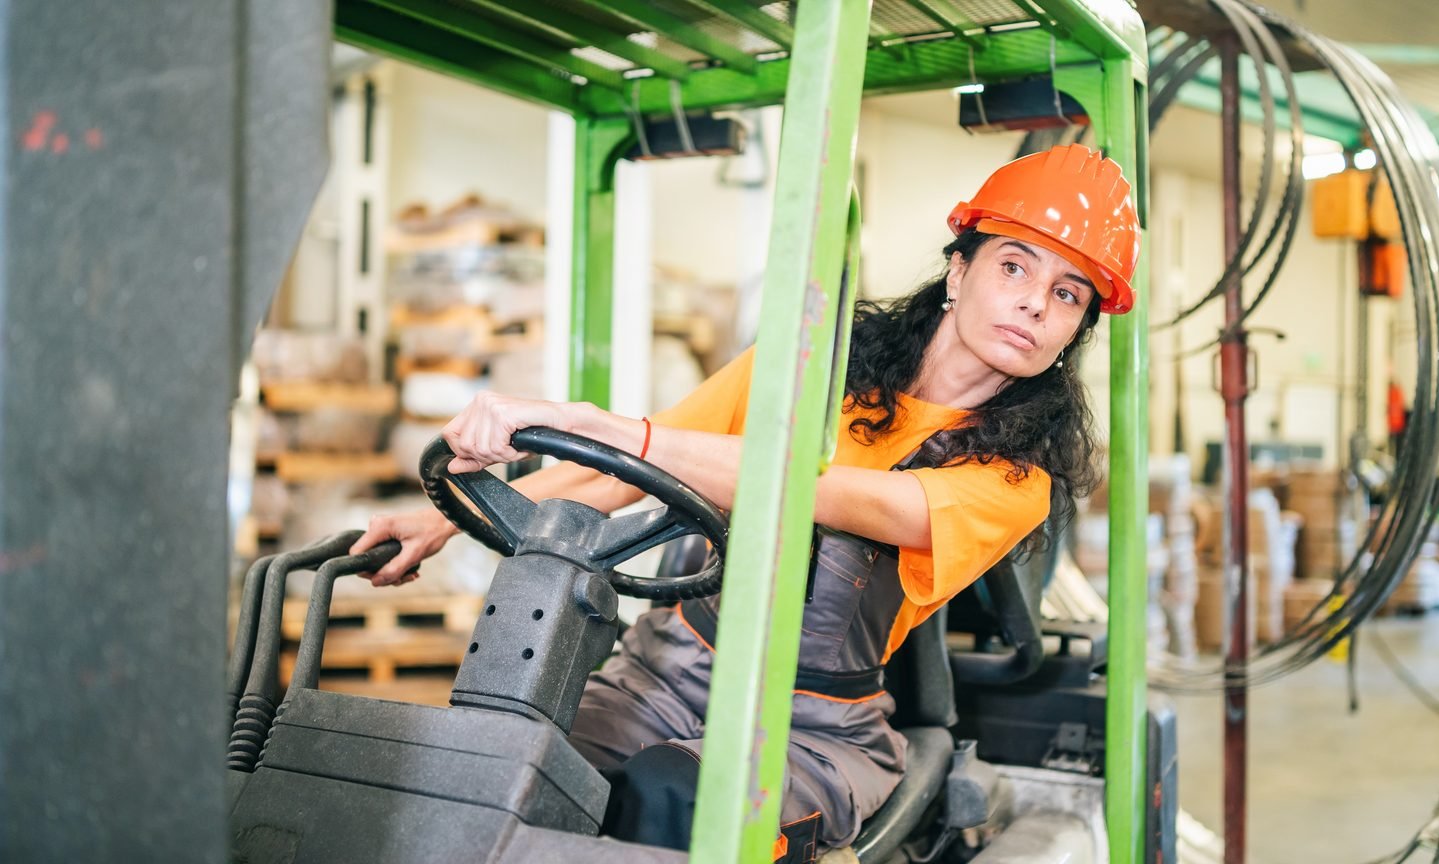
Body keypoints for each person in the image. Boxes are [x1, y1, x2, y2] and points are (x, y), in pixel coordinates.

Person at [351, 143, 1140, 862]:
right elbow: (618, 472)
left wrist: (604, 424)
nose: (1036, 304)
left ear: (1076, 329)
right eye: (1014, 267)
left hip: (813, 728)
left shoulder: (1017, 482)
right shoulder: (805, 371)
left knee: (673, 797)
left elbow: (828, 494)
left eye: (1068, 294)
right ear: (959, 272)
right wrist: (443, 517)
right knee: (508, 770)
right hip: (658, 675)